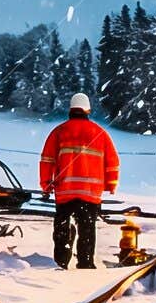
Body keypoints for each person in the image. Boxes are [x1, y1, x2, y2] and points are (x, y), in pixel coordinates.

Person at [39, 93, 119, 269]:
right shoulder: (100, 133)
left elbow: (47, 160)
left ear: (71, 109)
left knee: (62, 227)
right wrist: (111, 184)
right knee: (87, 229)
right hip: (90, 193)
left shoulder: (59, 131)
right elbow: (112, 161)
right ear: (87, 110)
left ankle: (61, 260)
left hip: (65, 191)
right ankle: (86, 262)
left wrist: (46, 184)